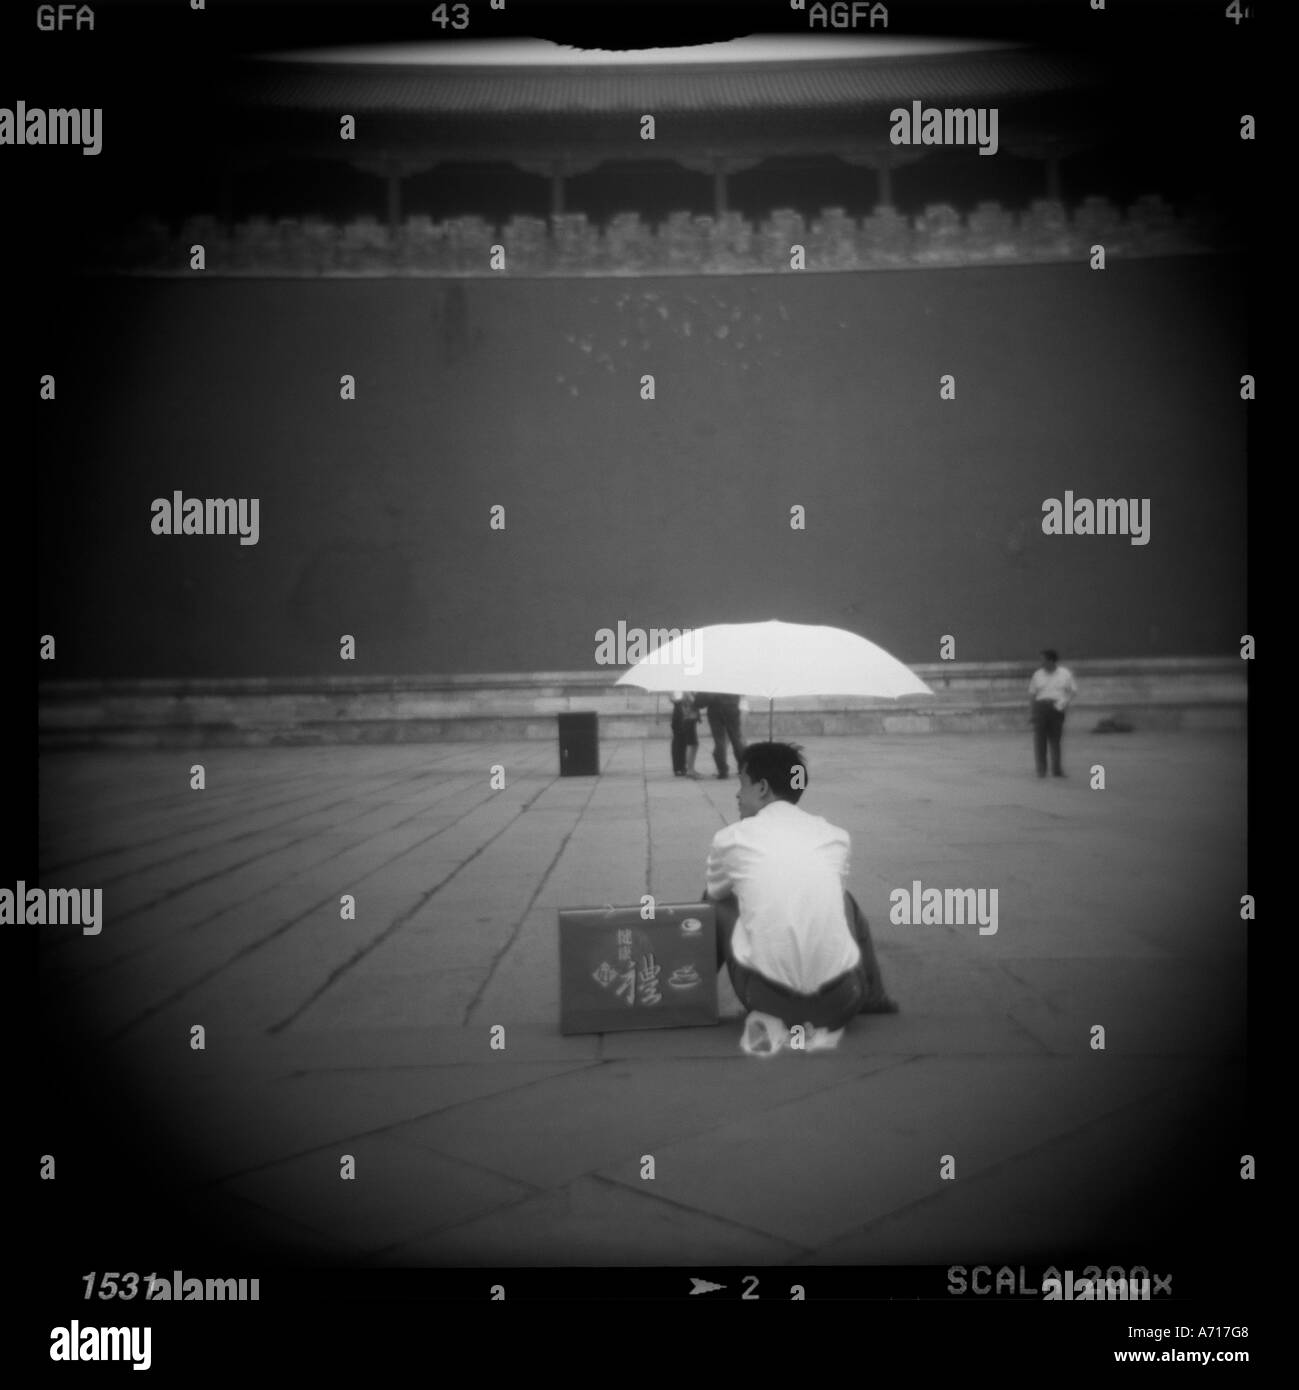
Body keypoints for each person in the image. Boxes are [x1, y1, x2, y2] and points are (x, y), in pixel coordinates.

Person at [700, 741, 898, 1055]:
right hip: (843, 1003)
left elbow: (714, 892)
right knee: (843, 899)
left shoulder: (730, 838)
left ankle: (690, 994)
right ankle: (874, 998)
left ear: (762, 787)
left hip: (768, 1005)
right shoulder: (835, 835)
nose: (737, 795)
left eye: (742, 784)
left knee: (716, 905)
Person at [1028, 648, 1077, 778]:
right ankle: (1041, 770)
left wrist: (1063, 704)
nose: (1041, 663)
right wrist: (1033, 712)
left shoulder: (1065, 674)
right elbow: (1033, 694)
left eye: (1043, 660)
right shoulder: (1037, 674)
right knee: (1040, 740)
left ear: (1051, 660)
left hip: (1056, 708)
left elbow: (1072, 691)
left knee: (1055, 740)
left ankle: (1056, 770)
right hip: (1041, 707)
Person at [696, 691, 745, 779]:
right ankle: (743, 768)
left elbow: (703, 699)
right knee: (736, 739)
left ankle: (723, 771)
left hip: (715, 710)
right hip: (732, 707)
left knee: (719, 741)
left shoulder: (712, 679)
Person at [669, 691, 702, 779]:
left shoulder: (682, 685)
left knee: (683, 741)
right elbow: (675, 698)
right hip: (683, 713)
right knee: (680, 742)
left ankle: (681, 767)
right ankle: (680, 768)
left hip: (682, 712)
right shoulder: (683, 688)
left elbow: (672, 698)